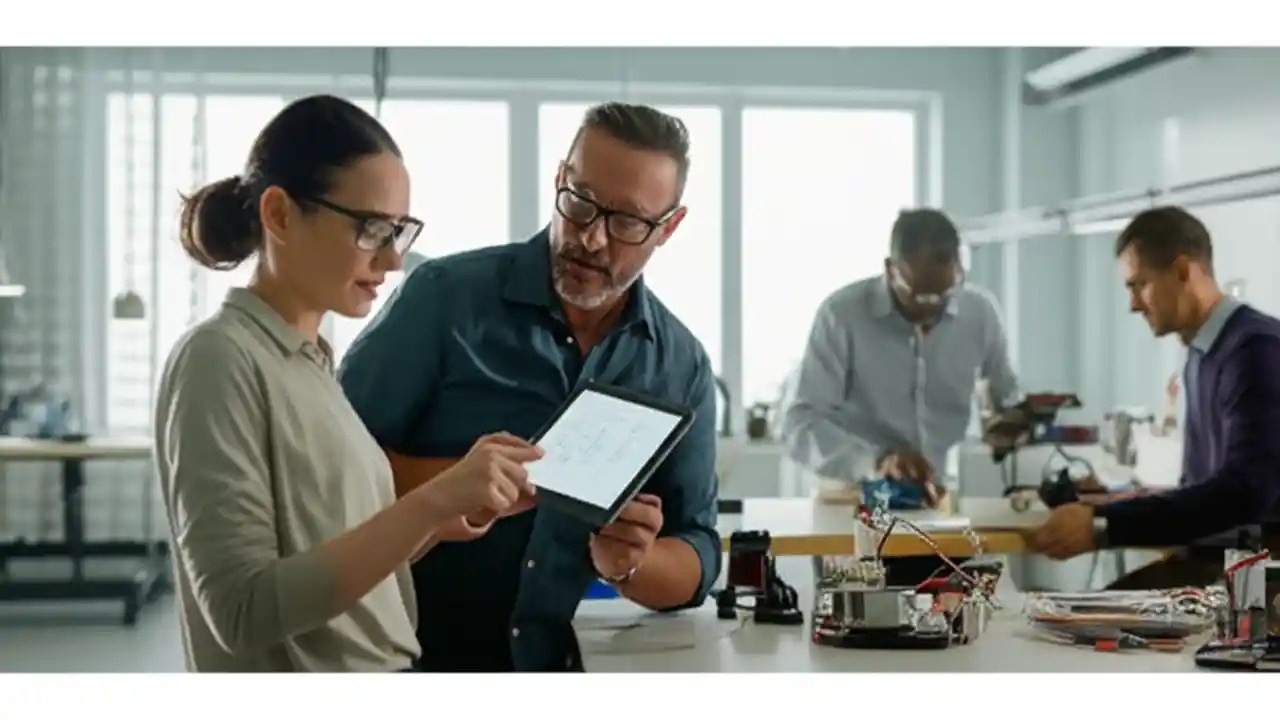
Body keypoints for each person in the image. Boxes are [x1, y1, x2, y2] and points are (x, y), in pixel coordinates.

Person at [154, 94, 542, 673]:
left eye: (399, 232)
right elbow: (242, 612)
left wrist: (436, 522)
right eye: (370, 229)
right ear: (280, 214)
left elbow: (333, 568)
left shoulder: (311, 363)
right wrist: (430, 500)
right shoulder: (218, 358)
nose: (390, 261)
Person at [338, 101, 721, 672]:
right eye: (581, 202)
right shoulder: (442, 300)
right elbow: (327, 473)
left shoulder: (681, 365)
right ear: (560, 178)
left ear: (669, 227)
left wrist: (630, 564)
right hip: (412, 663)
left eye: (627, 222)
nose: (591, 238)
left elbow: (699, 555)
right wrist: (460, 486)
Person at [1031, 206, 1280, 588]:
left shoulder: (1255, 350)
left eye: (1139, 285)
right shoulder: (1201, 355)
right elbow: (1202, 485)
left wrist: (1105, 525)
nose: (1133, 304)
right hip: (1217, 564)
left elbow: (1245, 492)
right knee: (1070, 618)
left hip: (1256, 579)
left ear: (1183, 271)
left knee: (1087, 625)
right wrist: (1113, 505)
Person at [780, 208, 1021, 583]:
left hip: (945, 511)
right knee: (858, 630)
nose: (932, 308)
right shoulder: (841, 315)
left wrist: (1014, 424)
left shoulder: (981, 314)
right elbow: (800, 425)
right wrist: (878, 460)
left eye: (944, 294)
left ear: (959, 271)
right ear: (890, 268)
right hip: (857, 509)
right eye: (920, 295)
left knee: (961, 629)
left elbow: (1006, 400)